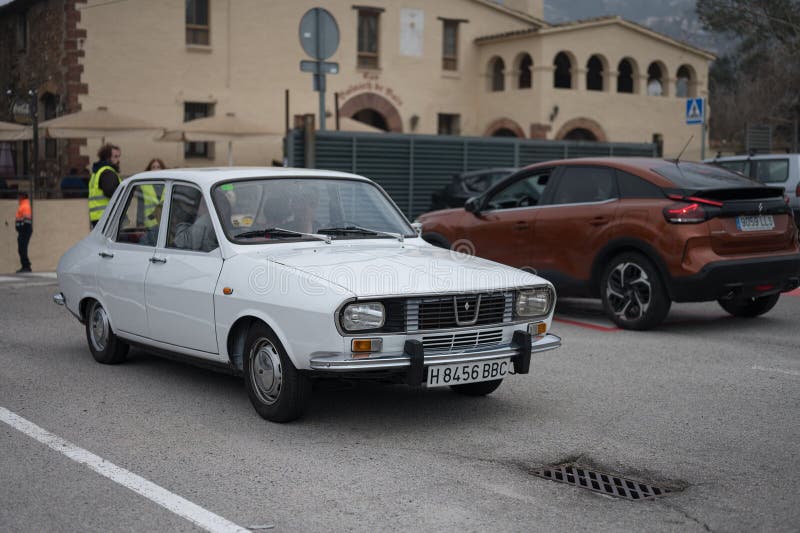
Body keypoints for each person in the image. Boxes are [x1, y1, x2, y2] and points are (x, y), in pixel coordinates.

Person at [88, 143, 122, 228]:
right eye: (115, 156)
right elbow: (110, 191)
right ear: (107, 157)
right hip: (108, 217)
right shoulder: (107, 172)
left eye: (119, 156)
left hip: (98, 217)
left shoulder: (97, 171)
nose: (118, 160)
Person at [15, 191, 32, 273]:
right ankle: (25, 265)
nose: (18, 198)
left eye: (19, 196)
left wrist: (21, 229)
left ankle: (26, 266)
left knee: (22, 248)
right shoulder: (23, 205)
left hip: (25, 231)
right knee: (21, 248)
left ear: (22, 196)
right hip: (23, 231)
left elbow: (27, 221)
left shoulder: (25, 206)